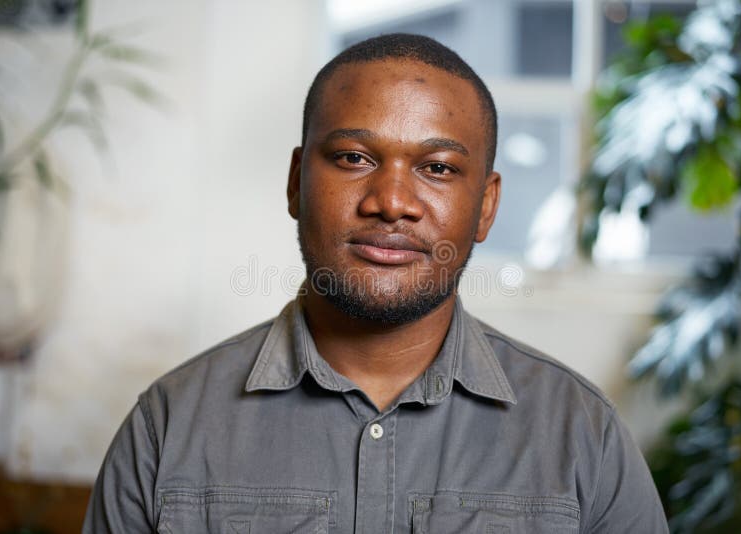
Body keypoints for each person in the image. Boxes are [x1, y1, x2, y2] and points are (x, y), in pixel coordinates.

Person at [83, 33, 668, 533]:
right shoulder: (169, 426)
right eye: (354, 158)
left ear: (486, 207)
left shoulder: (582, 435)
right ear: (295, 182)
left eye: (436, 168)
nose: (391, 203)